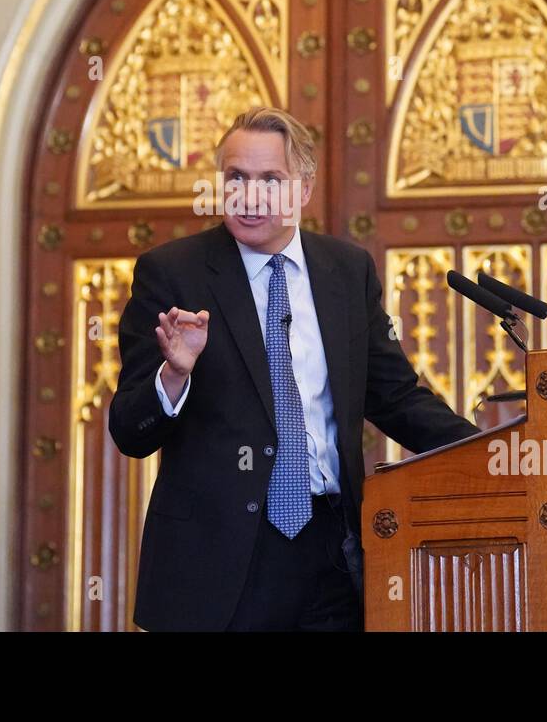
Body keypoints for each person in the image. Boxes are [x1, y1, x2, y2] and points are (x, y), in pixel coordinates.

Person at [109, 106, 478, 631]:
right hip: (217, 563)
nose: (250, 194)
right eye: (235, 177)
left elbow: (396, 398)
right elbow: (130, 429)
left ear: (303, 190)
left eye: (270, 180)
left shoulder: (346, 272)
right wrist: (174, 377)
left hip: (330, 551)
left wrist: (492, 453)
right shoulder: (172, 273)